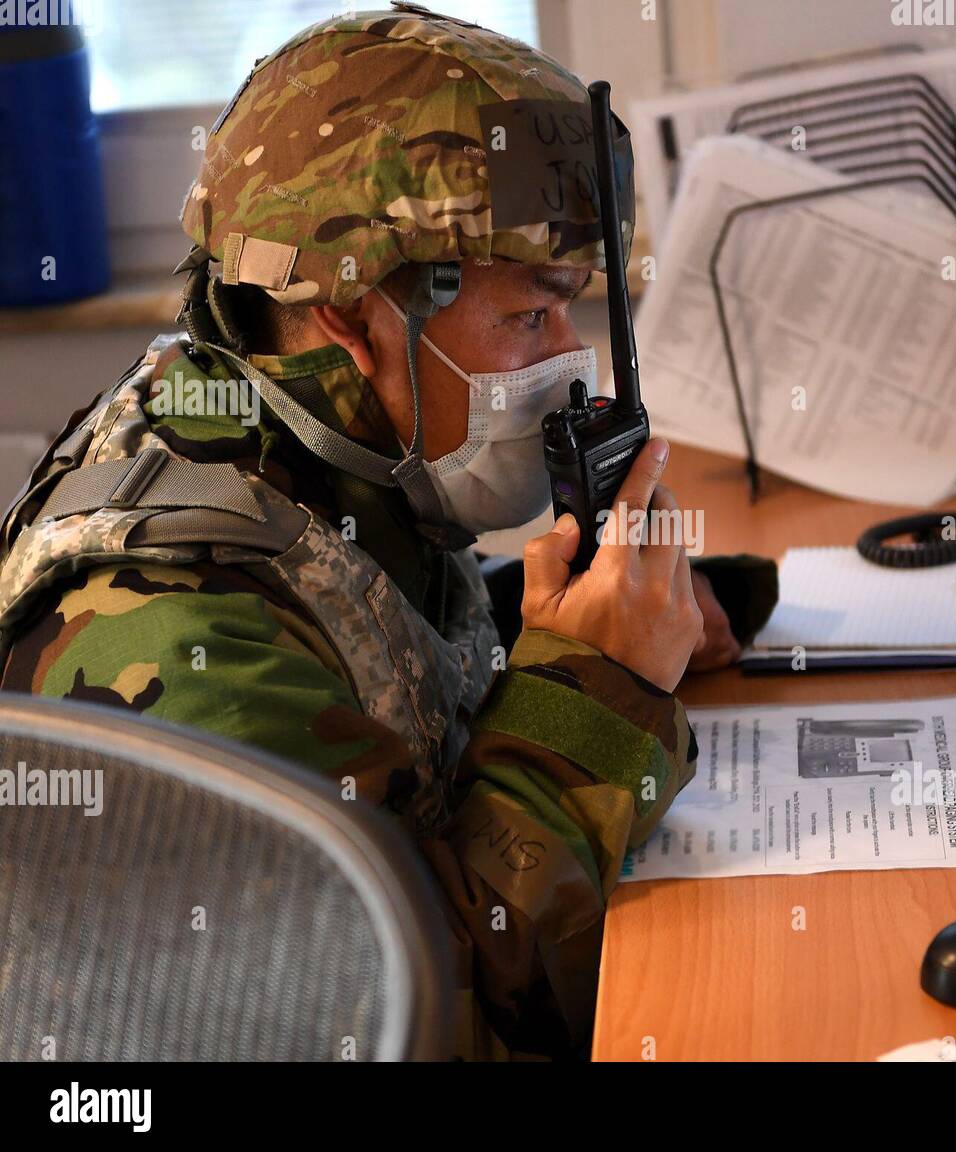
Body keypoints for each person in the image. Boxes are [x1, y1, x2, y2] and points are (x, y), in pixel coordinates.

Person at [0, 4, 776, 1058]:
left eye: (569, 310)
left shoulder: (299, 438)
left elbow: (366, 644)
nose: (565, 357)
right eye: (526, 317)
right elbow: (430, 1022)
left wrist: (604, 621)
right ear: (349, 316)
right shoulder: (178, 653)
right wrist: (599, 691)